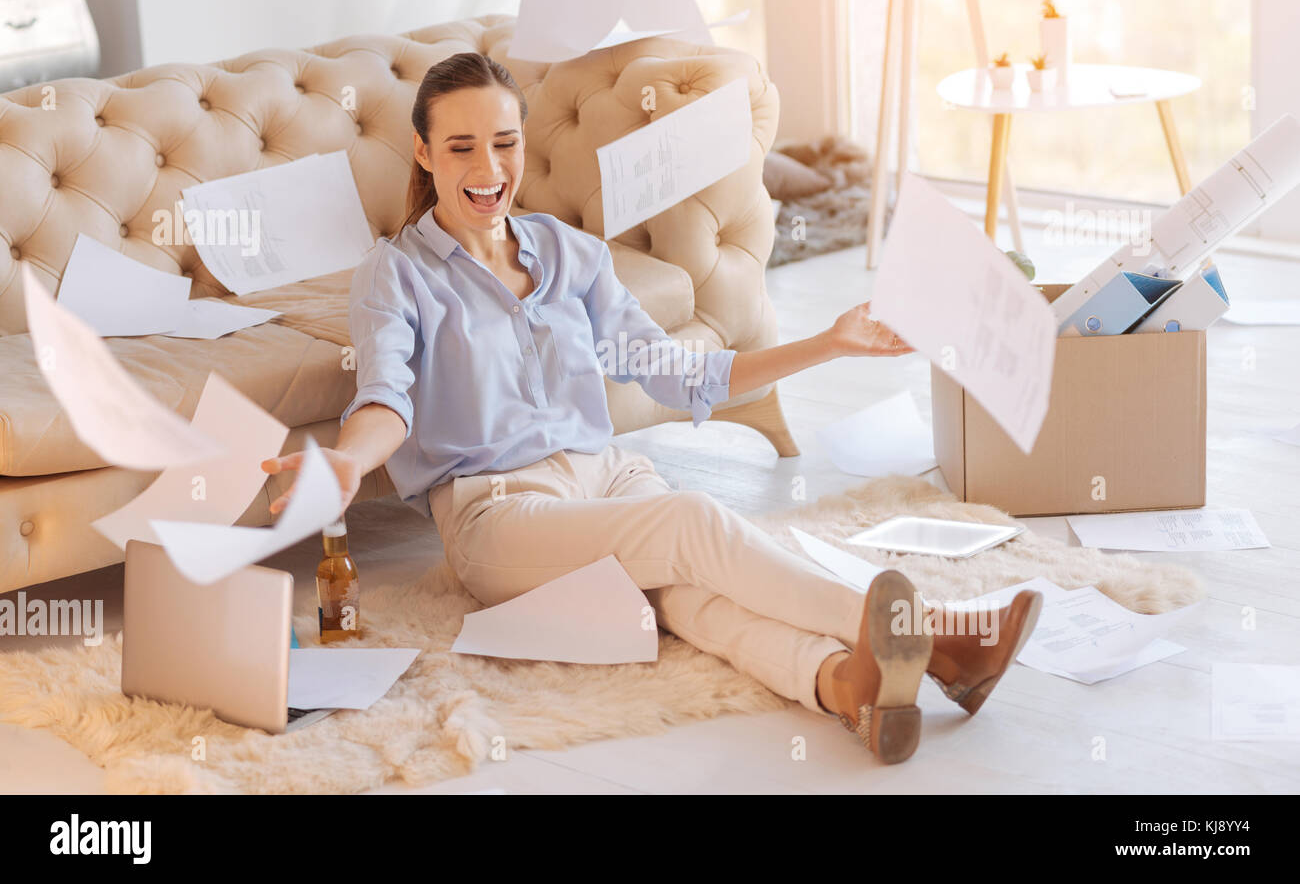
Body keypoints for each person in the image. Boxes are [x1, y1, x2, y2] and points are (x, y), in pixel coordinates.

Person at [262, 53, 1042, 765]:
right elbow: (385, 399)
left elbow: (679, 374)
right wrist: (347, 460)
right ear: (425, 152)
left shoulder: (567, 253)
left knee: (684, 593)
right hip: (497, 512)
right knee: (690, 522)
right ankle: (939, 639)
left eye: (504, 143)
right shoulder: (396, 274)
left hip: (608, 476)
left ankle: (843, 686)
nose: (488, 168)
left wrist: (829, 343)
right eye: (461, 147)